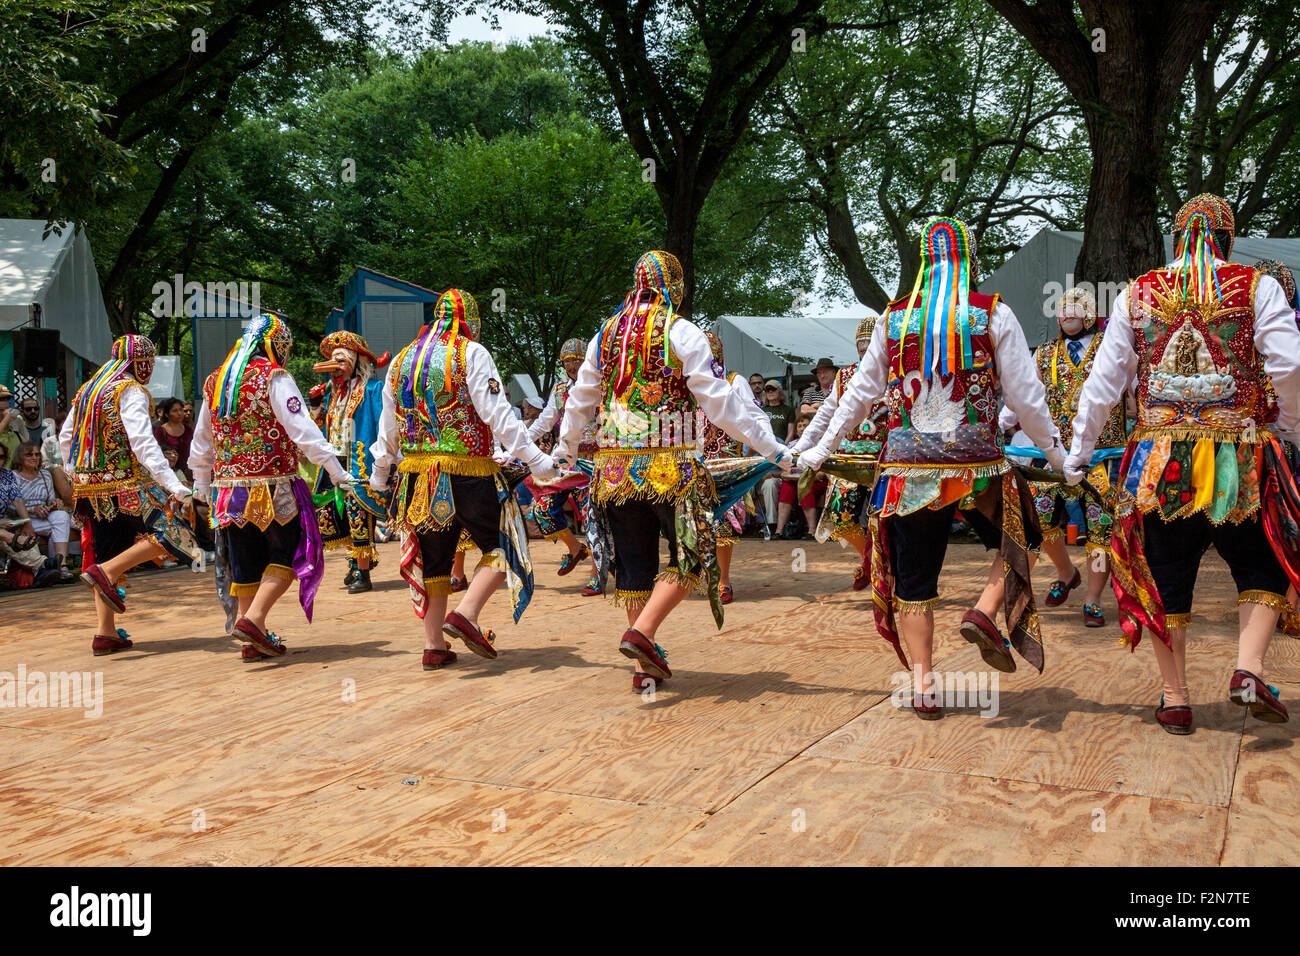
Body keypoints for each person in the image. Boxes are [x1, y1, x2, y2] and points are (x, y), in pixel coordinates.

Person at [802, 217, 1063, 719]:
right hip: (977, 464)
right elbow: (1026, 398)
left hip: (907, 469)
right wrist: (1059, 456)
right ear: (969, 260)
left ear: (924, 261)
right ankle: (984, 611)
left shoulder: (894, 318)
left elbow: (858, 394)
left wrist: (818, 449)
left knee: (914, 581)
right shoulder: (992, 314)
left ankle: (923, 685)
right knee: (1027, 530)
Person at [1067, 193, 1300, 735]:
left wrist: (1079, 452)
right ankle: (1250, 668)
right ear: (1226, 239)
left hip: (1161, 461)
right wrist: (1290, 426)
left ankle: (1175, 698)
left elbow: (1102, 384)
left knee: (1168, 574)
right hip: (1239, 455)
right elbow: (1288, 364)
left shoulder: (1138, 293)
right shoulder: (1256, 285)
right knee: (1261, 564)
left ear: (1178, 237)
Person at [555, 250, 793, 691]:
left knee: (634, 566)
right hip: (671, 467)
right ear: (675, 287)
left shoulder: (604, 335)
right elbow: (717, 402)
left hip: (613, 472)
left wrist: (565, 451)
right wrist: (772, 449)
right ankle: (641, 635)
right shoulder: (681, 330)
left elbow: (580, 399)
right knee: (695, 553)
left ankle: (643, 670)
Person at [370, 289, 560, 672]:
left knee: (434, 560)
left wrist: (379, 475)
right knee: (505, 542)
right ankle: (467, 613)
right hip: (468, 472)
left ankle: (433, 645)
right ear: (468, 321)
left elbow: (387, 427)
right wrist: (537, 459)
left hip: (417, 476)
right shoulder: (471, 353)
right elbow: (498, 414)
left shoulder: (401, 360)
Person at [189, 313, 356, 662]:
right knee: (292, 553)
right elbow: (303, 429)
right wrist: (337, 472)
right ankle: (253, 621)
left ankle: (255, 638)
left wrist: (200, 484)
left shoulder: (216, 381)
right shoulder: (274, 376)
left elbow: (201, 440)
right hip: (274, 487)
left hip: (228, 492)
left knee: (246, 562)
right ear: (275, 344)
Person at [59, 335, 197, 655]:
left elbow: (68, 436)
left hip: (91, 488)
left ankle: (105, 632)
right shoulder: (129, 389)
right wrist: (173, 484)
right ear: (142, 363)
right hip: (129, 486)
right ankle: (104, 574)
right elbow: (142, 442)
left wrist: (75, 473)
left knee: (108, 550)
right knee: (175, 533)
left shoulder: (89, 389)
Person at [1001, 288, 1128, 627]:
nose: (1066, 314)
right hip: (1055, 457)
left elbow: (1131, 391)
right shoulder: (1042, 354)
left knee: (1101, 527)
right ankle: (1066, 572)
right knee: (1042, 521)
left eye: (1075, 307)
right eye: (1061, 309)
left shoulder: (1111, 349)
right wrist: (999, 425)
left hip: (1103, 455)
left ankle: (1094, 598)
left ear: (1089, 312)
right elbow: (1024, 396)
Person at [794, 316, 884, 590]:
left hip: (886, 457)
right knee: (840, 518)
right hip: (847, 457)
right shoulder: (845, 376)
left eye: (870, 341)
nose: (865, 346)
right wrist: (800, 446)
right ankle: (870, 561)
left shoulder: (896, 374)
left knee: (884, 519)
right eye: (861, 342)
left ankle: (883, 569)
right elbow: (824, 416)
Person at [312, 331, 390, 594]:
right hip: (335, 461)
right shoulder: (333, 395)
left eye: (341, 363)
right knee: (334, 518)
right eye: (332, 365)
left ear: (356, 363)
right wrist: (315, 408)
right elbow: (322, 430)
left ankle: (363, 571)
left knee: (359, 516)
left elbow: (383, 426)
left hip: (360, 462)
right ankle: (355, 563)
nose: (335, 370)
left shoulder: (372, 389)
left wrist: (385, 461)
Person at [700, 329, 774, 604]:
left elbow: (755, 416)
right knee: (696, 524)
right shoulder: (690, 383)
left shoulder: (735, 381)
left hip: (728, 463)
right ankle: (702, 574)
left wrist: (764, 451)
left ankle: (724, 579)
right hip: (696, 463)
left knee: (723, 526)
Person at [526, 337, 600, 591]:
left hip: (596, 461)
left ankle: (597, 574)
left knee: (594, 518)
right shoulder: (559, 391)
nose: (571, 366)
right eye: (567, 361)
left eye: (576, 361)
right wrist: (518, 442)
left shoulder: (599, 386)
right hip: (567, 462)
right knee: (543, 510)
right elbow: (544, 422)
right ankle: (575, 548)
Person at [8, 441, 75, 581]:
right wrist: (33, 509)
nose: (34, 457)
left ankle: (60, 565)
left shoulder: (44, 474)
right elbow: (9, 507)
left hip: (43, 517)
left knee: (61, 516)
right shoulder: (12, 476)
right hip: (22, 520)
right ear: (20, 457)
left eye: (37, 454)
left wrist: (54, 503)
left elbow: (50, 499)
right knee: (59, 527)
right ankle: (50, 566)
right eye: (29, 455)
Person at [152, 397, 194, 480]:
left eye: (181, 410)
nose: (179, 413)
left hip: (188, 473)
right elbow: (157, 454)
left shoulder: (189, 430)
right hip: (169, 475)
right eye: (175, 411)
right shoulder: (160, 431)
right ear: (167, 414)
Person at [0, 387, 21, 462]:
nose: (6, 401)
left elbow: (29, 448)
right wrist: (6, 418)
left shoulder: (15, 433)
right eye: (1, 399)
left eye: (7, 398)